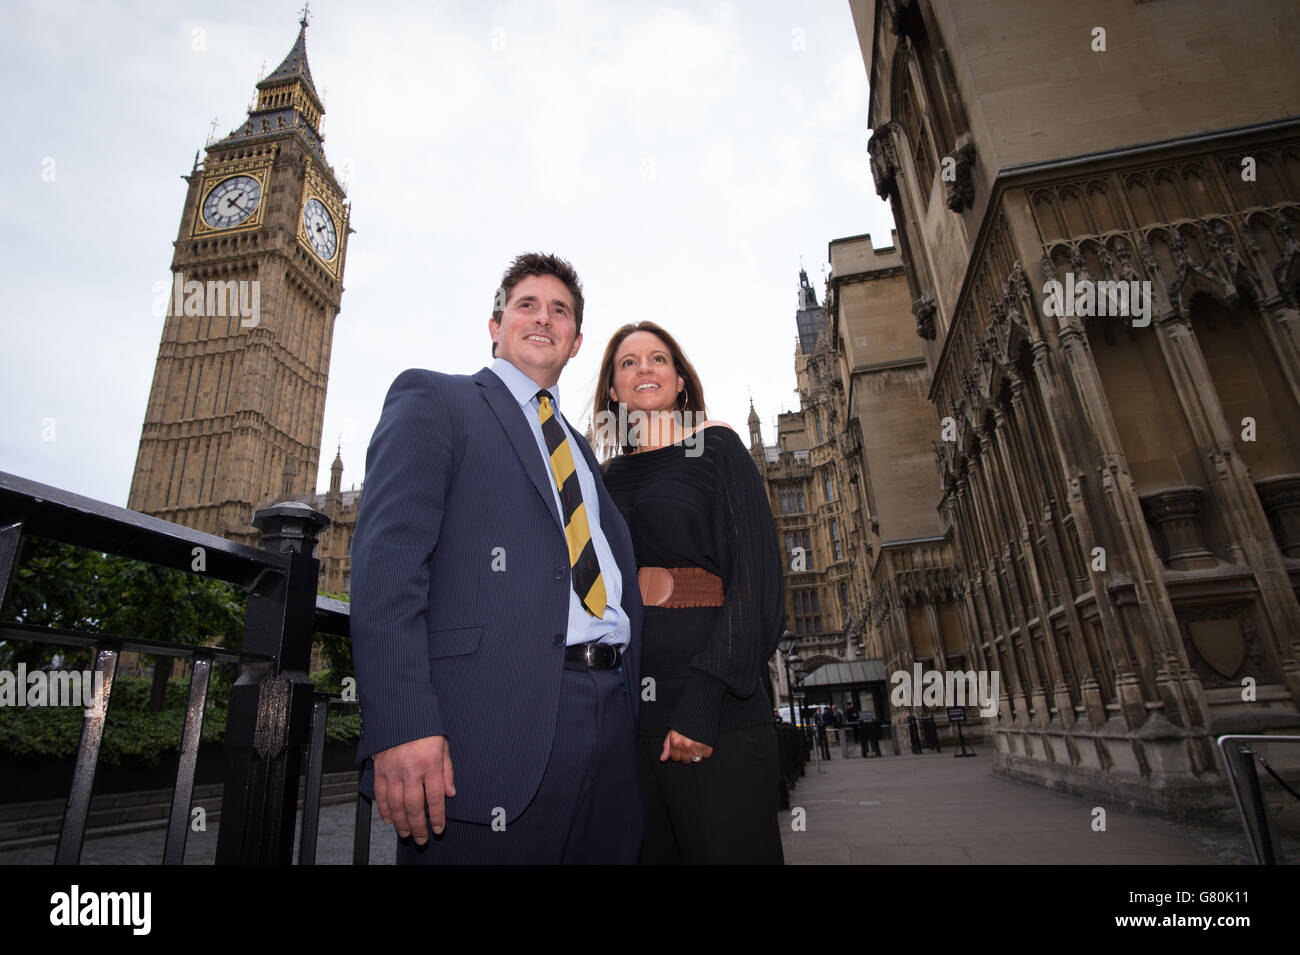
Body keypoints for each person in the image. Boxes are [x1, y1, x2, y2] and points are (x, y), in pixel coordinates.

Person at [349, 252, 644, 864]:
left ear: (576, 341)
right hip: (492, 730)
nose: (543, 318)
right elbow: (388, 568)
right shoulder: (437, 399)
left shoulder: (583, 453)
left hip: (609, 720)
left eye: (559, 311)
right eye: (526, 305)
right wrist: (402, 723)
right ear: (495, 326)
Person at [596, 321, 785, 865]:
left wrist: (704, 701)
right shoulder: (601, 478)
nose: (644, 370)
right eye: (627, 363)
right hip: (629, 712)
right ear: (613, 389)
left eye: (658, 358)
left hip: (713, 708)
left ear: (680, 379)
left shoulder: (718, 449)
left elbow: (758, 582)